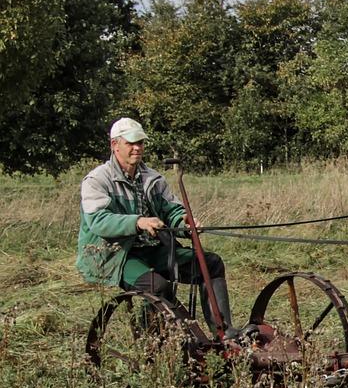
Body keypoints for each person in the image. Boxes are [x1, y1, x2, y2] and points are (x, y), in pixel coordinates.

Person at [77, 117, 236, 335]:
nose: (137, 148)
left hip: (154, 249)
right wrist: (138, 222)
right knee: (157, 286)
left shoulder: (152, 178)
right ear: (115, 145)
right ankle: (148, 344)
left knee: (211, 263)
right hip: (116, 255)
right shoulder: (97, 180)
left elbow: (172, 211)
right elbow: (98, 221)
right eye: (130, 143)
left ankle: (224, 335)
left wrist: (184, 223)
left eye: (140, 143)